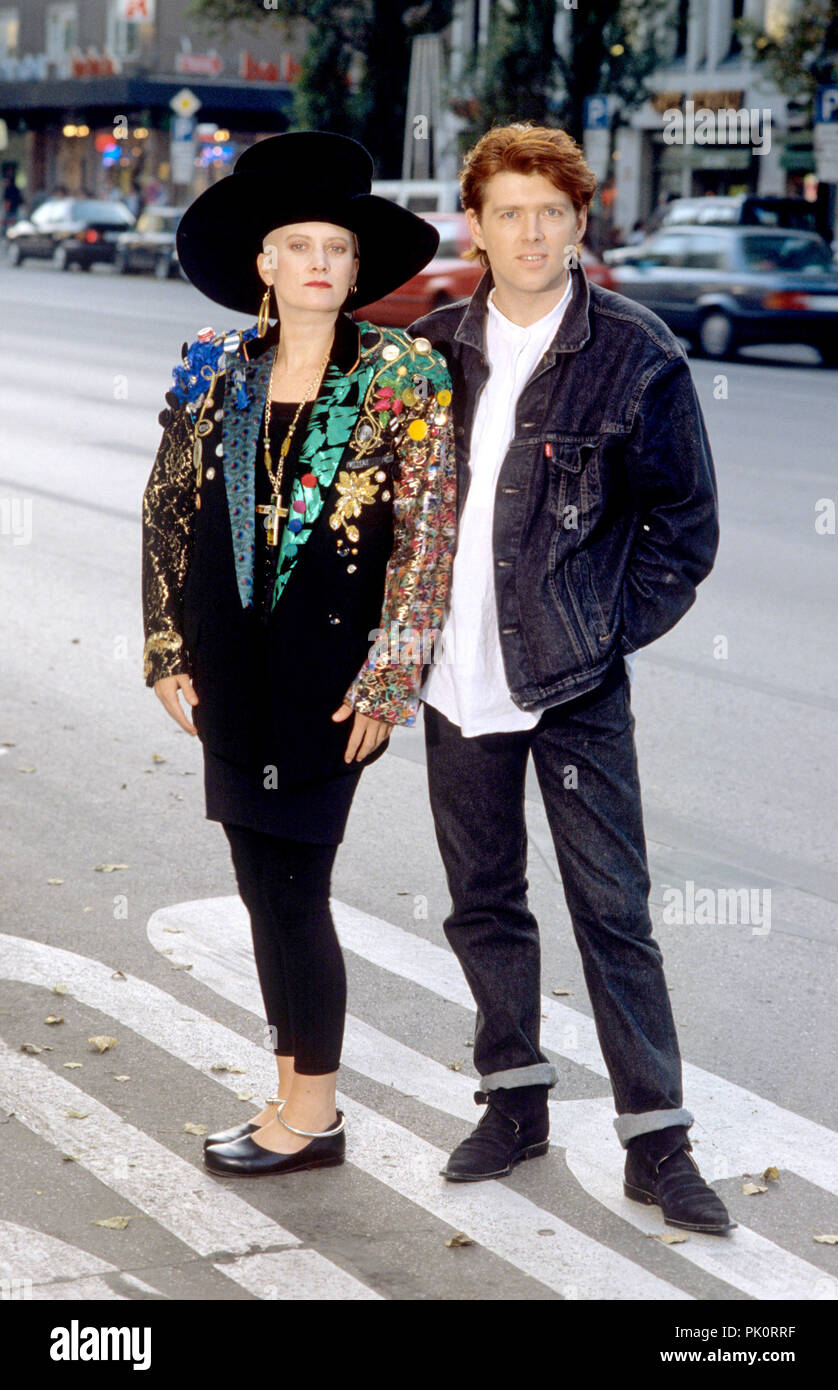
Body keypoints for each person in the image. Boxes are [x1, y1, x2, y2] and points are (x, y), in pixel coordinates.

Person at [410, 124, 734, 1235]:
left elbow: (682, 529)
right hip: (454, 682)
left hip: (573, 682)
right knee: (482, 903)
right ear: (477, 226)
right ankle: (511, 1103)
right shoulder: (433, 349)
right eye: (509, 211)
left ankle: (658, 1142)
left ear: (580, 223)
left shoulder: (635, 354)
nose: (531, 231)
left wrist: (598, 630)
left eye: (551, 211)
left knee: (613, 909)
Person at [142, 131, 456, 1178]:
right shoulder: (212, 366)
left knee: (293, 882)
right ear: (262, 265)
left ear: (357, 268)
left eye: (337, 246)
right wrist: (162, 647)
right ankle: (290, 1089)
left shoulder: (401, 370)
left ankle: (312, 1116)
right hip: (228, 670)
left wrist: (392, 673)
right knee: (255, 876)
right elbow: (166, 510)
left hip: (333, 680)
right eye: (297, 244)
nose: (319, 261)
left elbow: (426, 533)